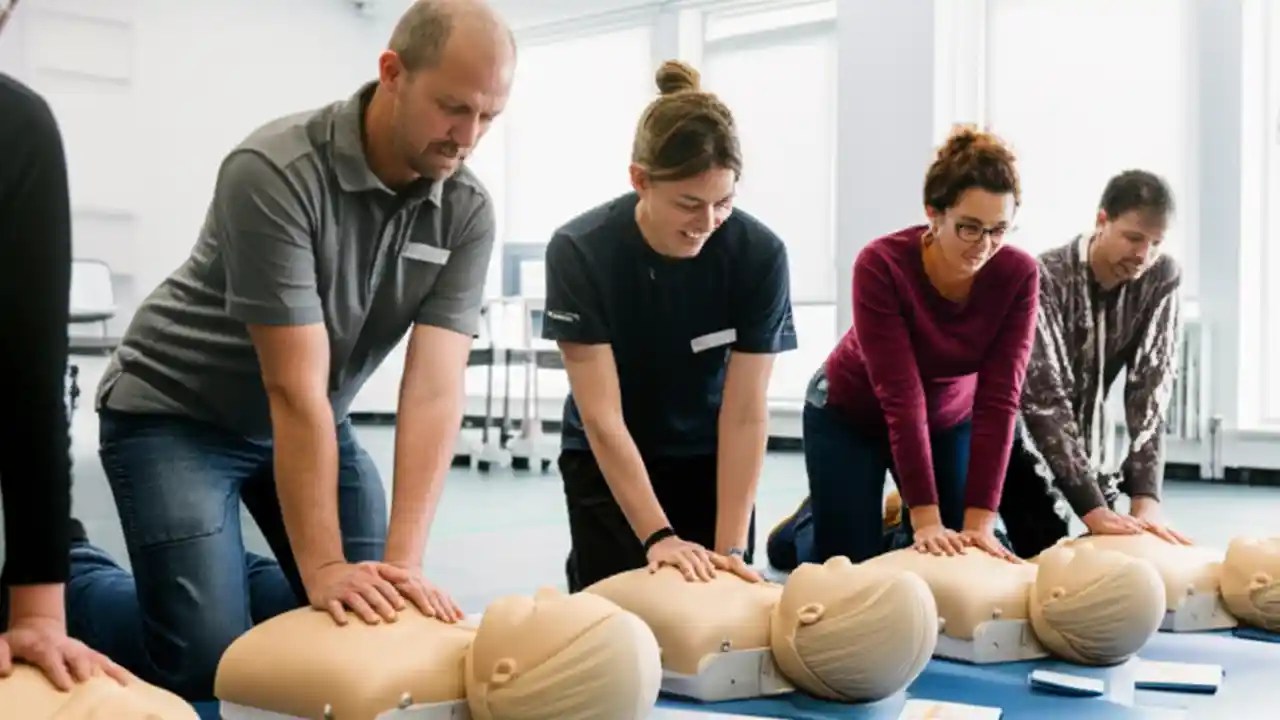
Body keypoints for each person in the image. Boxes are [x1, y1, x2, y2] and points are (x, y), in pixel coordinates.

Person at [61, 0, 515, 700]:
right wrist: (326, 566)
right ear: (392, 73)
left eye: (489, 116)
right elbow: (291, 388)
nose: (469, 136)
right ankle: (79, 573)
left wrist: (403, 564)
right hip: (176, 414)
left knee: (372, 619)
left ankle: (216, 573)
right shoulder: (275, 170)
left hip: (311, 423)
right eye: (453, 107)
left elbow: (433, 388)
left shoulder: (466, 209)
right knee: (208, 658)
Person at [542, 59, 797, 592]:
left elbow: (747, 412)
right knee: (618, 624)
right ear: (640, 181)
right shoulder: (579, 251)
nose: (707, 224)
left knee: (718, 603)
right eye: (689, 204)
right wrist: (657, 536)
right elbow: (602, 415)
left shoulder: (759, 254)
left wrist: (730, 549)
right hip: (608, 457)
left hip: (708, 455)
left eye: (723, 203)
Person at [767, 126, 1038, 571]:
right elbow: (901, 396)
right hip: (851, 414)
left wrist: (980, 521)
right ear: (933, 213)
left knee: (955, 551)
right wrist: (925, 518)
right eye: (969, 228)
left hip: (948, 420)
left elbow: (999, 399)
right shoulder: (881, 264)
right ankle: (806, 523)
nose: (984, 245)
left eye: (998, 230)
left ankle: (897, 520)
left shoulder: (1019, 274)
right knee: (850, 566)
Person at [0, 0, 131, 691]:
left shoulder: (16, 130)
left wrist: (37, 608)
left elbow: (28, 385)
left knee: (199, 632)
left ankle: (80, 570)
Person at [998, 170, 1191, 558]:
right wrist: (1094, 509)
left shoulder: (1161, 277)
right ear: (1101, 220)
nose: (1143, 255)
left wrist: (1145, 503)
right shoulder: (1044, 276)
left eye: (1155, 243)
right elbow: (1043, 404)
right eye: (1134, 238)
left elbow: (1150, 393)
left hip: (1086, 440)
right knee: (1044, 551)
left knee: (1111, 552)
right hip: (1011, 436)